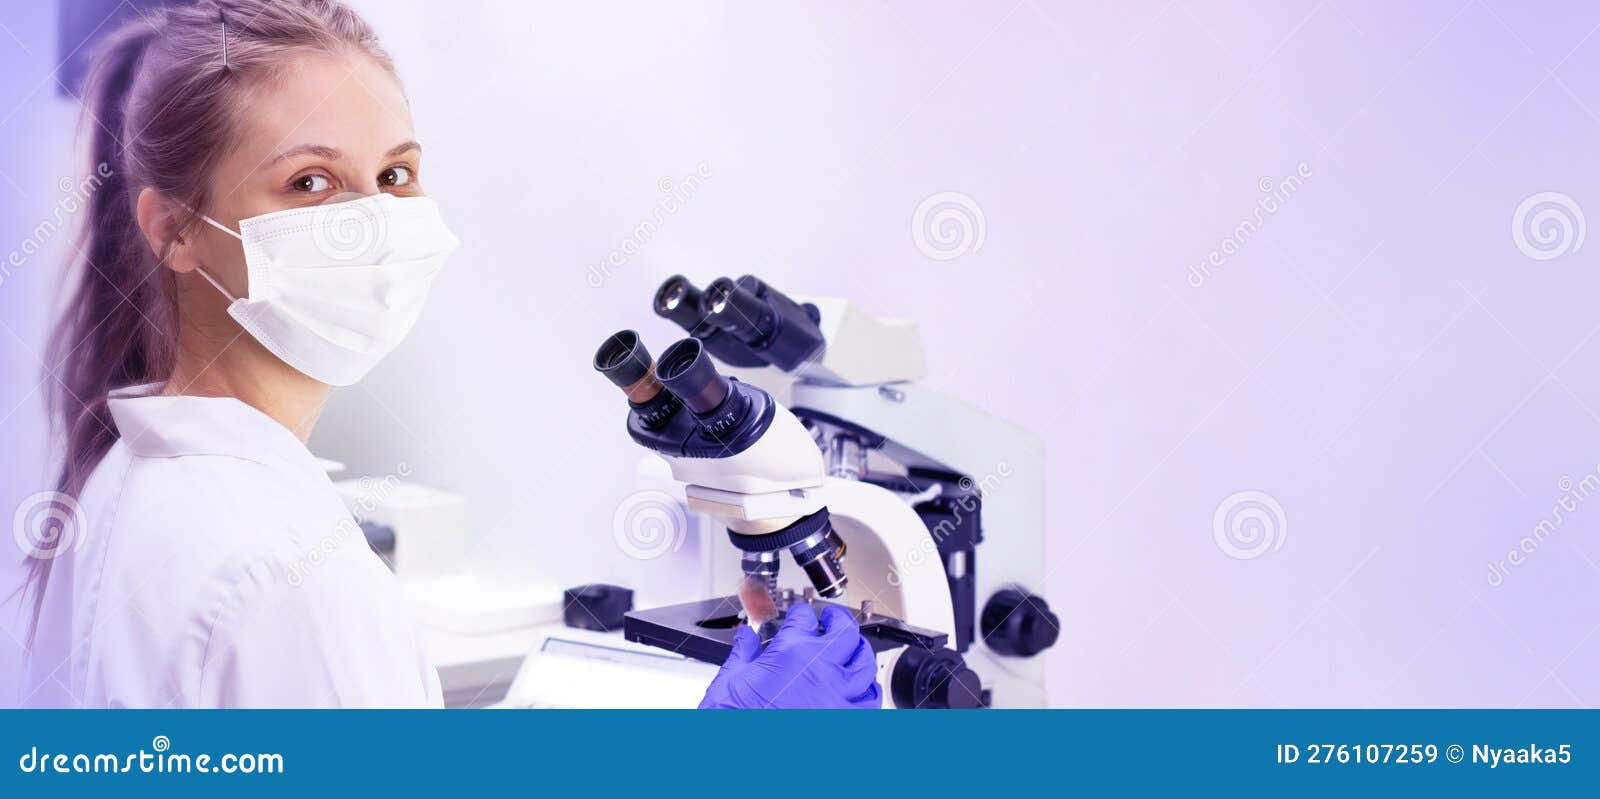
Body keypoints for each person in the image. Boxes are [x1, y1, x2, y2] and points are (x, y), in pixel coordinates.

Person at [19, 0, 879, 710]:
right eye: (311, 182)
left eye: (395, 175)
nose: (373, 222)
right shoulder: (291, 575)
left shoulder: (118, 478)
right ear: (175, 229)